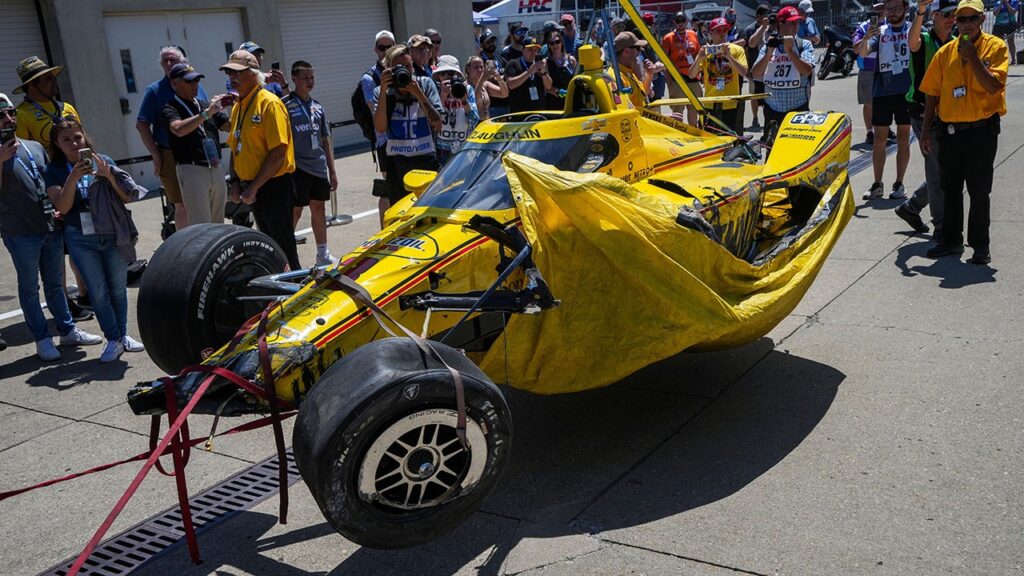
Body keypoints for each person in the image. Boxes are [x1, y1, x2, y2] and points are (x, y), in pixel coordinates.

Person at [0, 93, 101, 361]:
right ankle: (42, 338)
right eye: (1, 116)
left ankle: (68, 330)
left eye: (10, 113)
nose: (8, 119)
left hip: (49, 225)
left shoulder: (33, 147)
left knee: (56, 285)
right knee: (29, 287)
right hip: (20, 232)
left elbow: (49, 183)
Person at [45, 118, 145, 363]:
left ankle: (122, 336)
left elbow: (127, 197)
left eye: (77, 137)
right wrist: (73, 178)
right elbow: (63, 206)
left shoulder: (103, 160)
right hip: (80, 238)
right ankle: (112, 338)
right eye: (66, 140)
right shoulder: (54, 170)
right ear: (57, 144)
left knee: (118, 290)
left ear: (84, 136)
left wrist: (107, 175)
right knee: (98, 293)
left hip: (112, 234)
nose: (73, 143)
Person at [920, 0, 1008, 264]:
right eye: (962, 19)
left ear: (982, 19)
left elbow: (993, 86)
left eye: (972, 19)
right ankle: (951, 241)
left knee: (979, 190)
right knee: (950, 189)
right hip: (950, 132)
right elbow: (932, 96)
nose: (966, 24)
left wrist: (972, 58)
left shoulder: (995, 47)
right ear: (955, 21)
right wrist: (926, 132)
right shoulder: (944, 53)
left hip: (981, 132)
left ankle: (980, 245)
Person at [220, 50, 301, 270]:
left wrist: (253, 187)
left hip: (273, 187)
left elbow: (278, 153)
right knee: (268, 248)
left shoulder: (269, 103)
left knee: (283, 248)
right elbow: (235, 147)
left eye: (237, 72)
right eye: (229, 73)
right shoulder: (238, 106)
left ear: (254, 73)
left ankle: (297, 290)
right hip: (253, 189)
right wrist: (235, 182)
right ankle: (279, 294)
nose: (232, 78)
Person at [894, 0, 956, 235]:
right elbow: (912, 41)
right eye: (947, 15)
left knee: (946, 169)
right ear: (935, 16)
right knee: (937, 170)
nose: (952, 19)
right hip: (922, 113)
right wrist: (920, 11)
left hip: (948, 113)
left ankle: (912, 207)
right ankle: (940, 228)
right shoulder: (925, 40)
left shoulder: (953, 43)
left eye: (955, 15)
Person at [136, 45, 208, 231]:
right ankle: (184, 246)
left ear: (184, 62)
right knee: (181, 203)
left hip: (198, 152)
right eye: (165, 61)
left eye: (173, 60)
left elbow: (208, 117)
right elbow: (142, 124)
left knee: (203, 200)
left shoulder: (197, 88)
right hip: (170, 154)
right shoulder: (155, 91)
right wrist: (155, 154)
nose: (168, 64)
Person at [372, 45, 442, 214]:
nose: (406, 72)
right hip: (397, 162)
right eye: (400, 68)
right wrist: (383, 90)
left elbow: (438, 125)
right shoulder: (382, 92)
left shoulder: (425, 84)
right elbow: (380, 128)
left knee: (429, 212)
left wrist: (418, 93)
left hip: (425, 159)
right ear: (389, 69)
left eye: (409, 67)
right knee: (401, 214)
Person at [283, 60, 338, 266]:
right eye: (305, 78)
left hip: (318, 166)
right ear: (294, 79)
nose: (310, 81)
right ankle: (285, 253)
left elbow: (325, 139)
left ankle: (322, 254)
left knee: (319, 207)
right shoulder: (285, 105)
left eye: (312, 77)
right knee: (295, 211)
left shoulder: (317, 107)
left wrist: (332, 170)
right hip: (297, 168)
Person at [160, 63, 230, 226]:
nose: (194, 85)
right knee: (201, 223)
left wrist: (237, 103)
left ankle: (218, 252)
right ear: (174, 84)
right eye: (189, 81)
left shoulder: (205, 105)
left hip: (215, 165)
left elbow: (229, 126)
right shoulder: (170, 107)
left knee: (219, 221)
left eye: (197, 81)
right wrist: (206, 114)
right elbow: (178, 129)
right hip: (192, 169)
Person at [858, 0, 913, 200]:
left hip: (906, 92)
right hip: (882, 91)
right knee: (879, 141)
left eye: (896, 8)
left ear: (906, 9)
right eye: (888, 8)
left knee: (903, 139)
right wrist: (866, 38)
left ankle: (899, 183)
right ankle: (877, 184)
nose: (891, 12)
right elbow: (862, 53)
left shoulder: (913, 29)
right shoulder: (880, 31)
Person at [750, 7, 815, 144]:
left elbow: (807, 70)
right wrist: (769, 52)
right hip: (772, 109)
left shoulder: (804, 44)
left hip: (798, 109)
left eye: (797, 23)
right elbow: (755, 73)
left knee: (797, 152)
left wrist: (790, 51)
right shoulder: (769, 45)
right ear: (781, 24)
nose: (795, 27)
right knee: (772, 151)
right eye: (791, 23)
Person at [689, 18, 748, 134]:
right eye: (718, 30)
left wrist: (729, 57)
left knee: (732, 138)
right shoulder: (705, 51)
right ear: (710, 34)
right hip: (710, 103)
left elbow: (744, 72)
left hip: (730, 103)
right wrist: (699, 58)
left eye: (725, 30)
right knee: (710, 137)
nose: (722, 33)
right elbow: (691, 75)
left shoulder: (737, 50)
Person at [13, 57, 80, 150]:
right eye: (49, 79)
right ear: (32, 85)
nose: (55, 81)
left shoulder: (67, 107)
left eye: (54, 77)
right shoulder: (20, 114)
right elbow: (23, 153)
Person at [362, 30, 395, 218]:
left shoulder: (403, 71)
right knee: (388, 189)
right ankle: (384, 229)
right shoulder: (369, 79)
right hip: (385, 141)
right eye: (382, 48)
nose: (385, 51)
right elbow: (374, 111)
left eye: (389, 47)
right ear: (376, 49)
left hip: (407, 140)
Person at [433, 55, 480, 164]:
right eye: (442, 74)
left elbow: (474, 119)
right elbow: (432, 119)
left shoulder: (467, 90)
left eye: (450, 73)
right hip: (442, 149)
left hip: (463, 149)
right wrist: (443, 96)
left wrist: (464, 99)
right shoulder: (435, 90)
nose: (446, 77)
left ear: (457, 75)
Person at [853, 3, 887, 144]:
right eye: (876, 9)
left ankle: (885, 128)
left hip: (885, 68)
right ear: (872, 10)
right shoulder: (863, 26)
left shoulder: (890, 24)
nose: (879, 12)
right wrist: (866, 36)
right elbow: (855, 48)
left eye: (882, 8)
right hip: (868, 69)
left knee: (885, 101)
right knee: (869, 102)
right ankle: (869, 132)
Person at [661, 12, 703, 123]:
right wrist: (669, 82)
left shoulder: (693, 34)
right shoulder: (668, 38)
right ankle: (680, 134)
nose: (680, 24)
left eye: (683, 21)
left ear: (686, 21)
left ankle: (693, 133)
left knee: (693, 107)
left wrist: (701, 73)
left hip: (694, 79)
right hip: (677, 80)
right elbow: (664, 62)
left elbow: (699, 54)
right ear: (674, 22)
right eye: (677, 21)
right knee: (677, 110)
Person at [742, 5, 772, 129]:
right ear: (758, 16)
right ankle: (755, 118)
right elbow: (751, 46)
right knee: (754, 96)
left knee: (768, 96)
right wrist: (762, 28)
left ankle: (768, 119)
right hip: (755, 69)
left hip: (769, 69)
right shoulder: (750, 29)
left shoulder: (772, 28)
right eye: (764, 15)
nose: (767, 18)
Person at [505, 36, 552, 113]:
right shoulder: (514, 63)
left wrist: (544, 73)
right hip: (520, 112)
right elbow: (510, 84)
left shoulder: (539, 64)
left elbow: (549, 86)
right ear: (522, 49)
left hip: (539, 111)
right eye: (530, 50)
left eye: (536, 50)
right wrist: (529, 72)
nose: (533, 53)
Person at [614, 32, 658, 110]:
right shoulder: (617, 77)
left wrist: (649, 74)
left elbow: (644, 94)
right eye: (637, 48)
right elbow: (628, 111)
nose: (640, 51)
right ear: (626, 51)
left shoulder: (628, 71)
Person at [466, 56, 509, 121]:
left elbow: (504, 94)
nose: (479, 70)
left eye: (481, 67)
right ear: (468, 69)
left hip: (486, 122)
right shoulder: (466, 86)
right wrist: (482, 79)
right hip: (472, 124)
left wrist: (498, 76)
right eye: (476, 67)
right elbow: (474, 102)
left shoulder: (485, 85)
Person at [544, 29, 577, 110]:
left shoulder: (571, 60)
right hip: (554, 103)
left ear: (562, 42)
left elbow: (576, 79)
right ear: (548, 45)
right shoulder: (546, 63)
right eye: (552, 43)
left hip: (572, 101)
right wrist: (559, 92)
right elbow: (546, 88)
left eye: (557, 42)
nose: (555, 45)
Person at [992, 0, 1019, 65]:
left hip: (1009, 24)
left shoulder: (1014, 1)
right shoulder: (997, 2)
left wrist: (1006, 3)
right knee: (999, 43)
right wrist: (1001, 3)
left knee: (1011, 42)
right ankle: (1000, 60)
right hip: (999, 24)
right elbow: (995, 13)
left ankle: (1013, 59)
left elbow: (1013, 12)